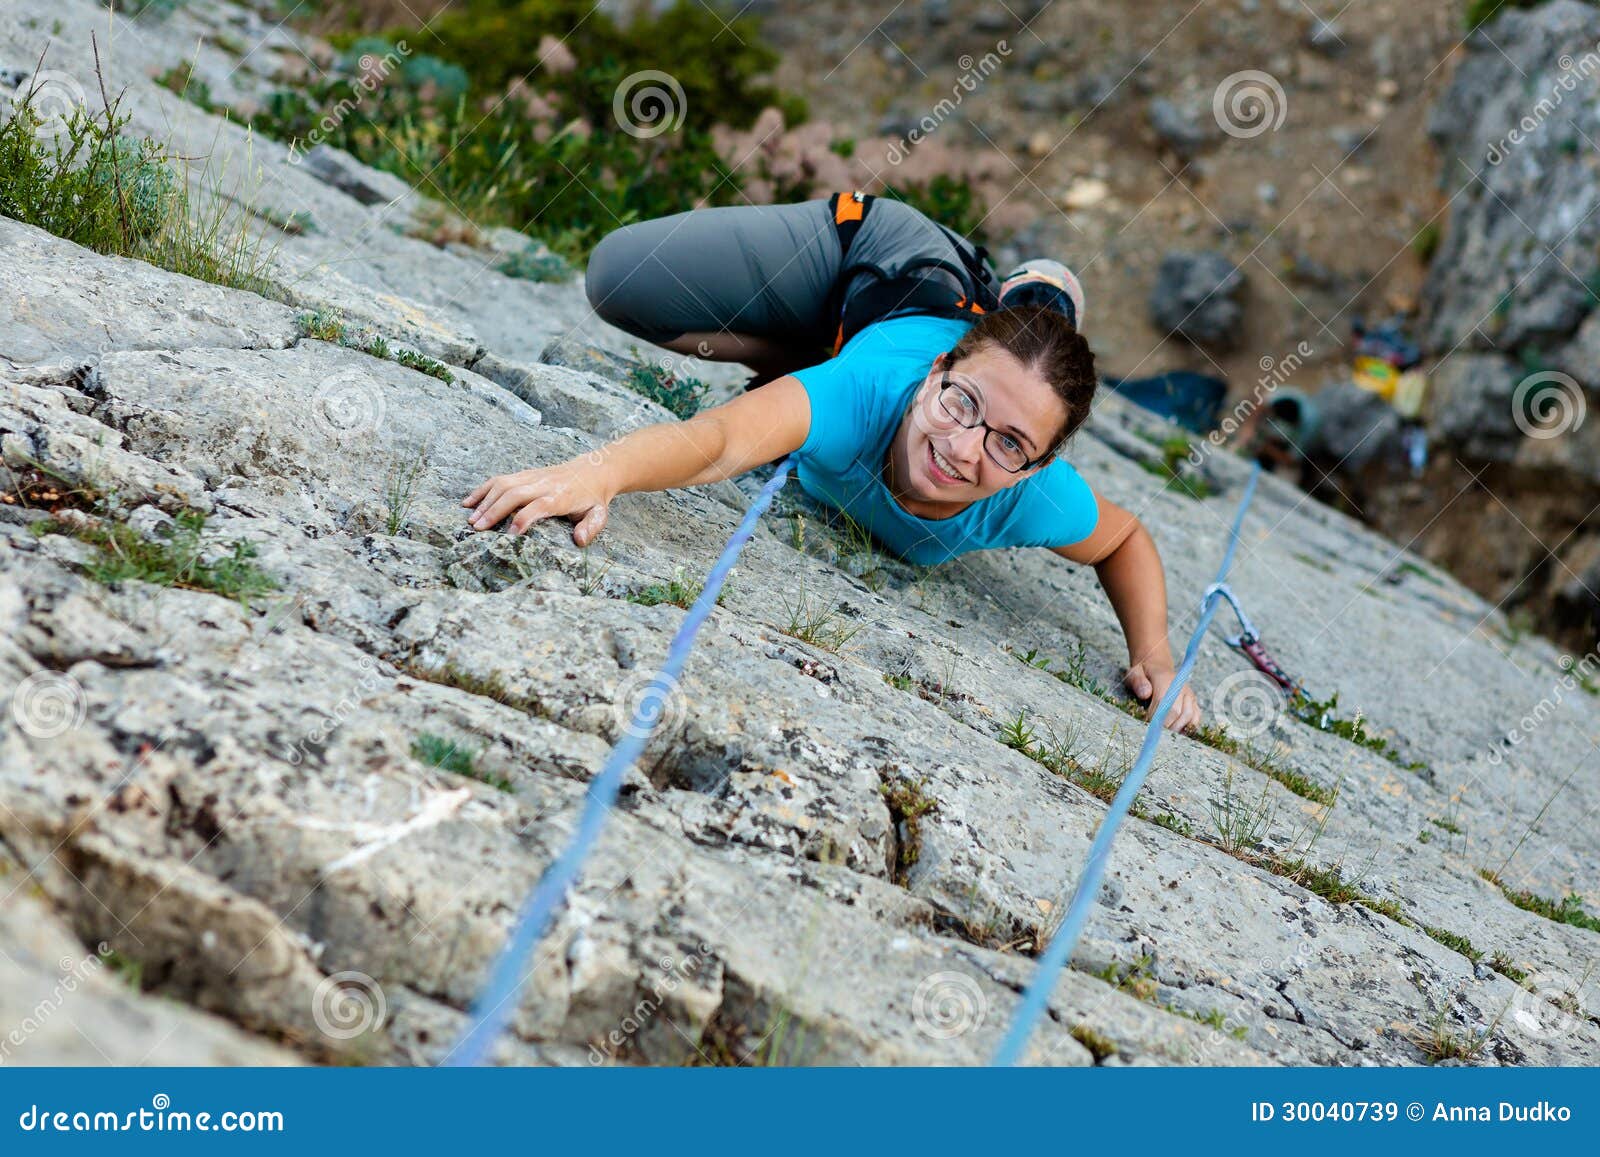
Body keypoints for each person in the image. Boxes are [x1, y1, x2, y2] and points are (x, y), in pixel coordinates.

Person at [462, 193, 1202, 732]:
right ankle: (1001, 302)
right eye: (960, 403)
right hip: (896, 269)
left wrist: (1155, 657)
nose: (962, 448)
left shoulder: (1031, 502)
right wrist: (601, 471)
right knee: (623, 279)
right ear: (936, 373)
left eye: (1010, 444)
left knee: (958, 379)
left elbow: (1124, 538)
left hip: (874, 352)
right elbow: (719, 441)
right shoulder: (861, 395)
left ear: (1038, 467)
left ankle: (1030, 308)